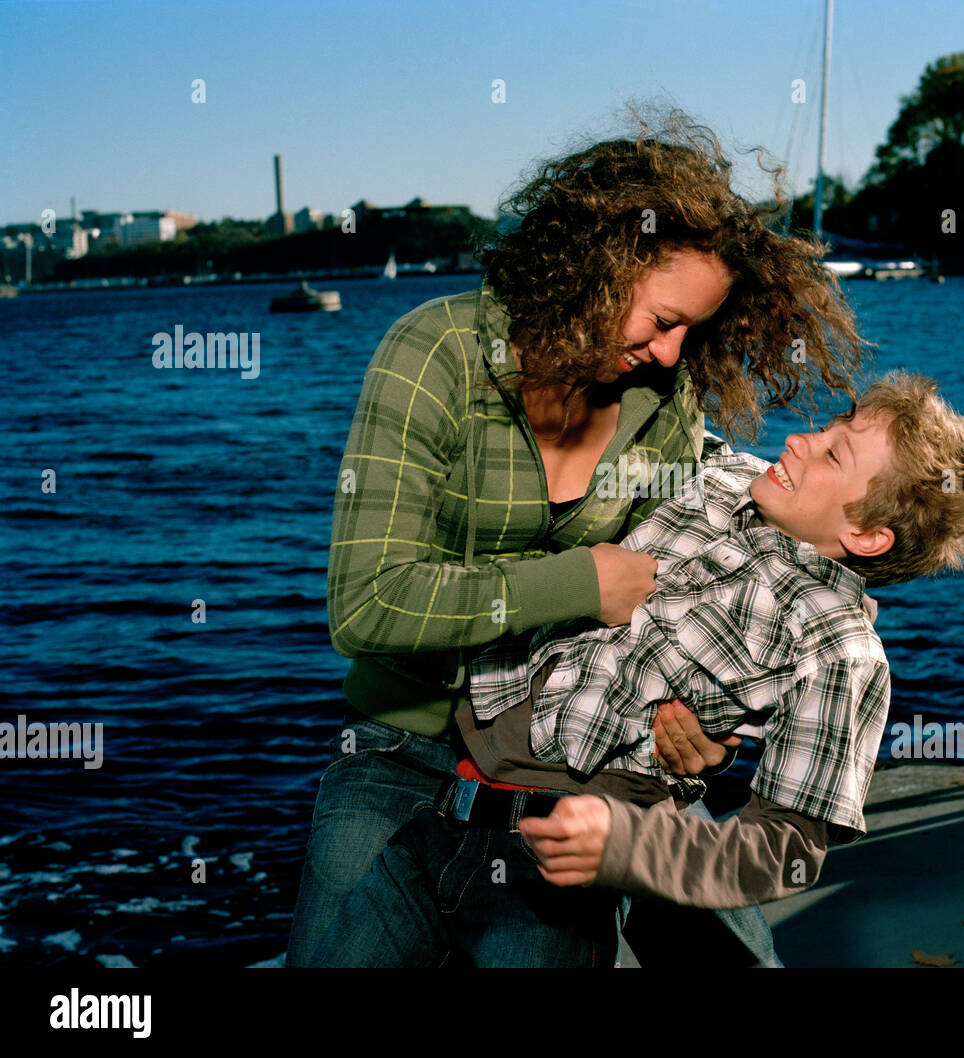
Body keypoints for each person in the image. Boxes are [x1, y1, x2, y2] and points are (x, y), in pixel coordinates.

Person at [285, 108, 865, 968]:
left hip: (559, 776)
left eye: (691, 334)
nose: (673, 357)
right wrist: (579, 582)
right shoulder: (436, 353)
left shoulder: (663, 406)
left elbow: (679, 606)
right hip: (395, 758)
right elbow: (365, 605)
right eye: (663, 320)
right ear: (595, 267)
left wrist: (698, 739)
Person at [305, 371, 964, 964]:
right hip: (436, 784)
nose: (801, 437)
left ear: (866, 535)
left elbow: (784, 851)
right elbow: (628, 420)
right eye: (833, 422)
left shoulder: (838, 652)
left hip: (557, 858)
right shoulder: (723, 475)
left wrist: (632, 850)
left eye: (833, 454)